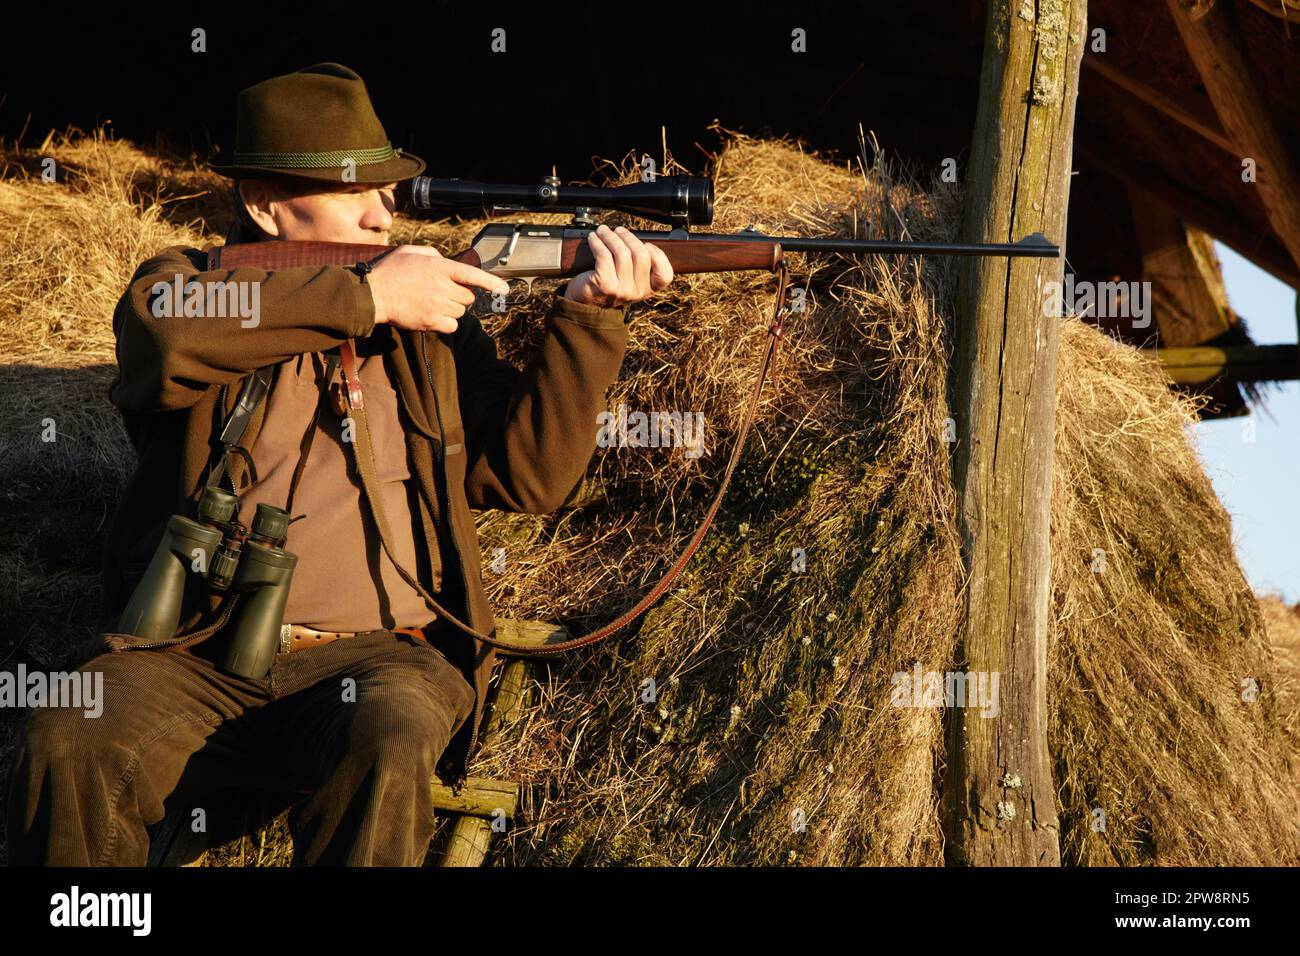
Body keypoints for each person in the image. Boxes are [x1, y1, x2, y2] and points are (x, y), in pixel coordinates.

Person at [4, 62, 673, 866]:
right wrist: (364, 300)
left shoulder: (432, 327)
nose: (382, 208)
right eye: (355, 189)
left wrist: (588, 322)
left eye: (388, 188)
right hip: (195, 656)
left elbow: (525, 478)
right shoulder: (188, 283)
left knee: (387, 739)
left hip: (382, 657)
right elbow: (165, 336)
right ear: (264, 206)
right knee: (66, 735)